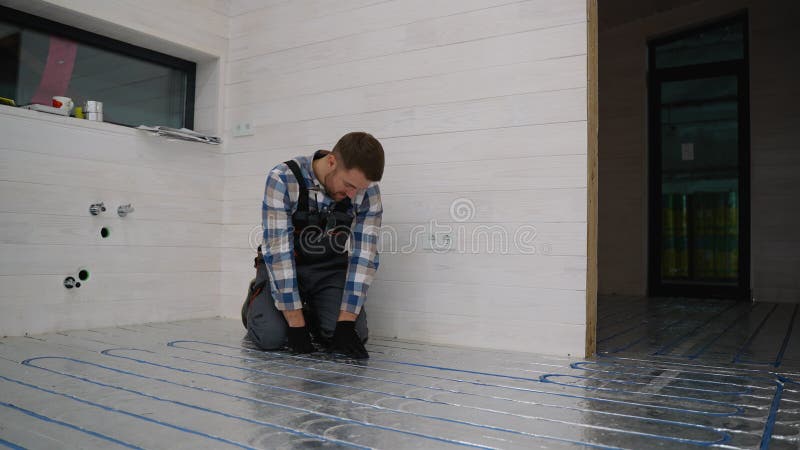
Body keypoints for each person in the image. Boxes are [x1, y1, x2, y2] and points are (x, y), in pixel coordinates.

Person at [242, 131, 384, 359]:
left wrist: (346, 323)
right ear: (331, 161)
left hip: (328, 271)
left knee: (356, 334)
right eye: (348, 185)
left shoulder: (365, 190)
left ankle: (313, 310)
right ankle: (257, 299)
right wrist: (295, 322)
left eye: (359, 188)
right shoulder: (283, 178)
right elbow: (278, 252)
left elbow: (364, 255)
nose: (353, 194)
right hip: (286, 268)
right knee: (271, 337)